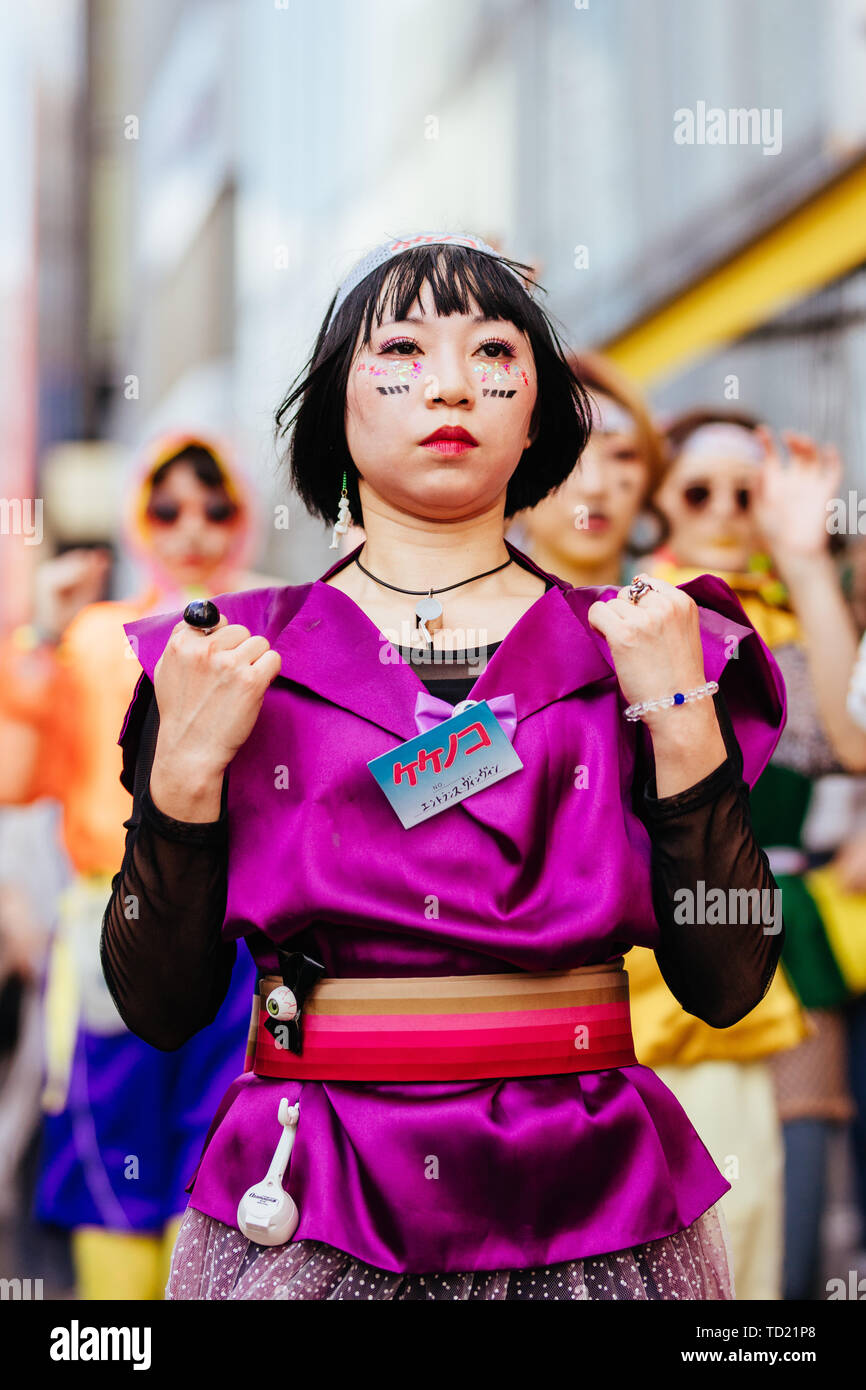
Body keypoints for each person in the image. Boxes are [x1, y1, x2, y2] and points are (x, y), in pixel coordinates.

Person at [103, 233, 786, 1300]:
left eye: (493, 354)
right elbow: (159, 1004)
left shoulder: (647, 646)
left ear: (539, 416)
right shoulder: (226, 662)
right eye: (404, 352)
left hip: (593, 1203)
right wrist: (182, 784)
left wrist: (679, 716)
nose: (453, 385)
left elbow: (728, 982)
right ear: (335, 404)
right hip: (314, 1199)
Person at [518, 367, 807, 1300]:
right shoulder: (448, 633)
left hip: (695, 1034)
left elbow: (846, 739)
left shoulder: (701, 627)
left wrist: (801, 562)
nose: (597, 483)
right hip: (504, 1066)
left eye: (623, 454)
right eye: (573, 454)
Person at [0, 434, 267, 1299]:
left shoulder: (275, 624)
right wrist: (39, 631)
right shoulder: (88, 636)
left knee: (223, 1149)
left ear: (245, 516)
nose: (192, 527)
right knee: (112, 1144)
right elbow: (17, 775)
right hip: (117, 925)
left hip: (245, 936)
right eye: (168, 506)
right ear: (137, 518)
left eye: (215, 505)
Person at [651, 409, 860, 1299]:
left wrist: (807, 558)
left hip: (795, 925)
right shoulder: (633, 614)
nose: (728, 510)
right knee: (689, 1200)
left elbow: (855, 739)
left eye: (750, 492)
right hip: (667, 952)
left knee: (801, 1193)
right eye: (702, 490)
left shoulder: (803, 620)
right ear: (660, 499)